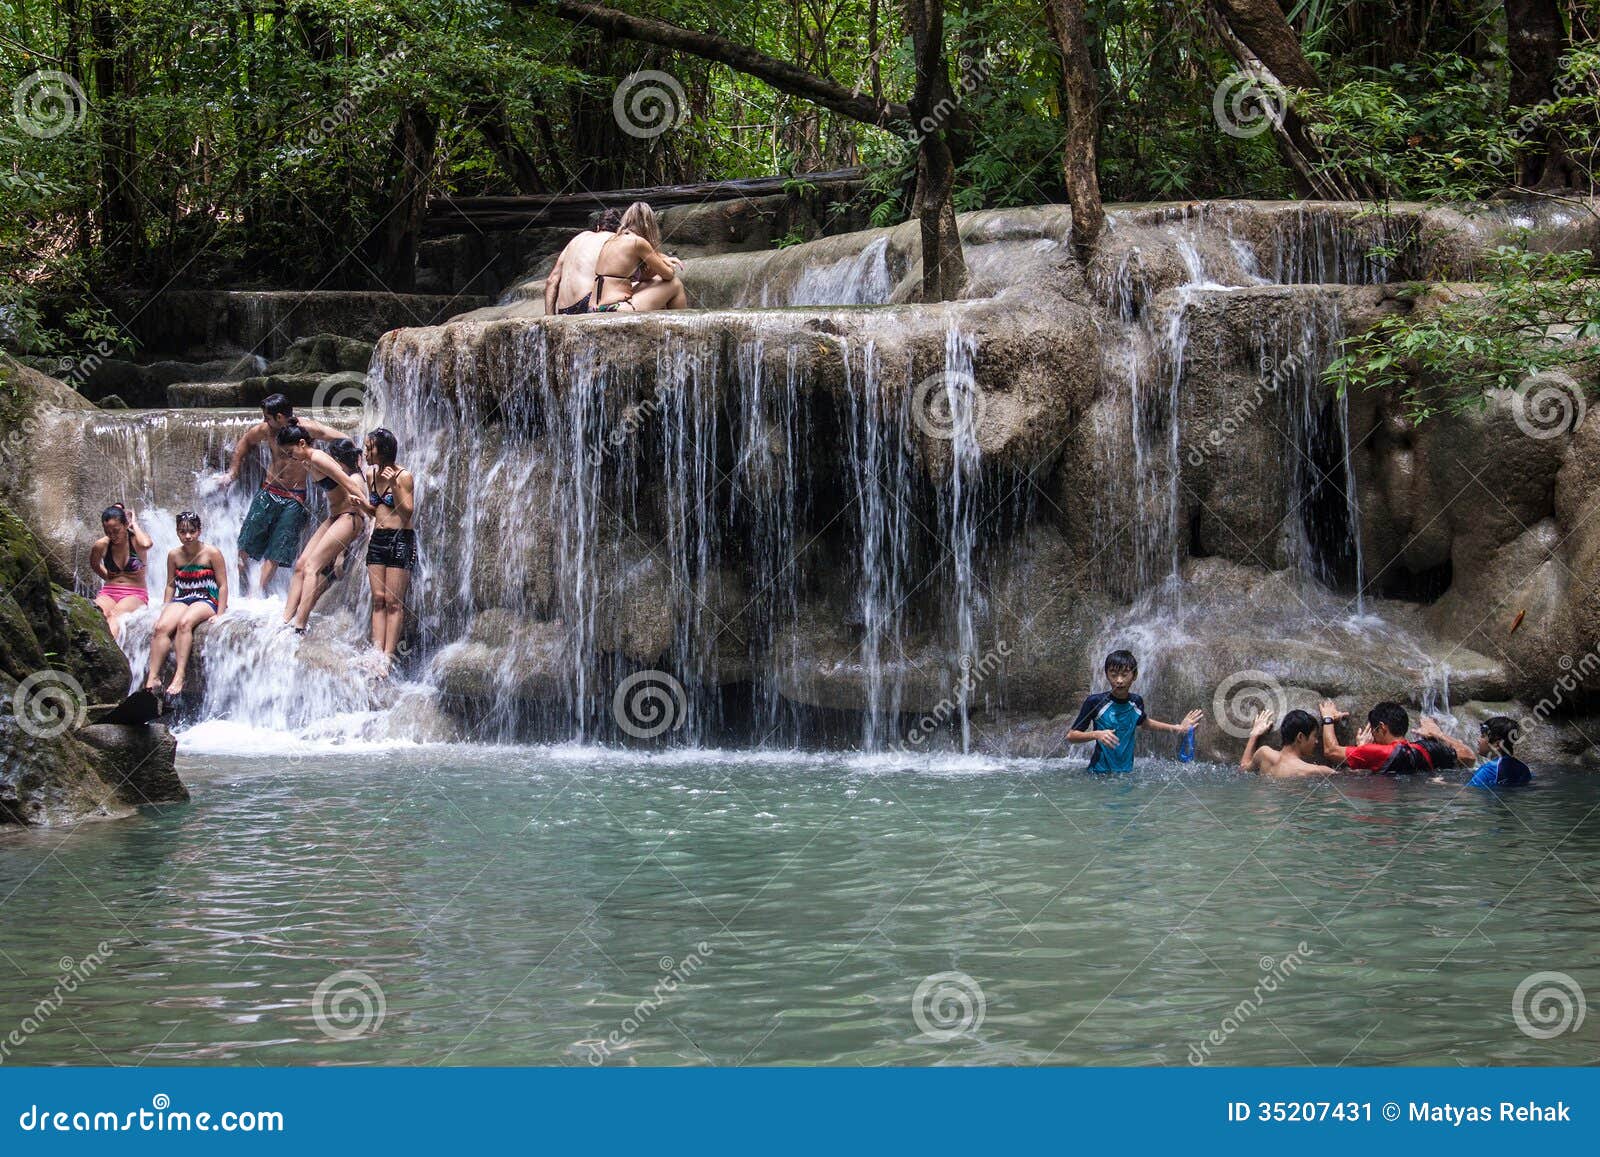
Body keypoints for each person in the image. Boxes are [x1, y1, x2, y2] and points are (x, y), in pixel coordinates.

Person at [219, 394, 346, 595]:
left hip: (294, 498)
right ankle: (238, 588)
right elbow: (245, 442)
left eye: (266, 417)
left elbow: (339, 437)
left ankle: (255, 594)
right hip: (269, 491)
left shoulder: (306, 429)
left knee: (277, 550)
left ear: (279, 416)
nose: (264, 421)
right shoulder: (267, 430)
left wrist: (355, 463)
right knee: (245, 543)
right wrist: (232, 472)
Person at [280, 433, 374, 633]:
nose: (290, 457)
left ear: (302, 443)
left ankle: (299, 626)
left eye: (291, 452)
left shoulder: (318, 458)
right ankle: (285, 618)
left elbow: (348, 483)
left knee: (312, 567)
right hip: (335, 517)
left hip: (349, 517)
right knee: (300, 565)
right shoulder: (309, 460)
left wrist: (370, 513)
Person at [1065, 650, 1205, 773]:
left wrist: (1178, 728)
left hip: (1126, 774)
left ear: (1134, 675)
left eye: (1124, 674)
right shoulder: (1095, 702)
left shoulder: (1136, 702)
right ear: (1107, 675)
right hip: (1098, 774)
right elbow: (1071, 736)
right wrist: (1096, 734)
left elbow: (1144, 723)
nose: (1119, 680)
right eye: (1113, 674)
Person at [144, 511, 228, 699]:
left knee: (185, 623)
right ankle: (153, 677)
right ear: (177, 532)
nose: (187, 536)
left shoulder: (212, 553)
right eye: (183, 532)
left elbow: (222, 585)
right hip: (184, 597)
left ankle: (180, 675)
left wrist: (221, 613)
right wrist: (164, 608)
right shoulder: (174, 555)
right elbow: (170, 584)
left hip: (207, 598)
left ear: (199, 531)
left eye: (192, 531)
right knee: (161, 627)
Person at [364, 427, 415, 668]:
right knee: (378, 599)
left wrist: (394, 486)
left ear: (383, 450)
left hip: (401, 539)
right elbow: (376, 512)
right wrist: (362, 506)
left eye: (369, 448)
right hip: (378, 539)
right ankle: (376, 652)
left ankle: (387, 656)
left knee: (394, 602)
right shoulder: (370, 476)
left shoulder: (404, 476)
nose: (365, 453)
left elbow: (406, 513)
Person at [587, 201, 687, 313]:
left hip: (593, 308)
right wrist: (666, 262)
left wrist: (659, 262)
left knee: (649, 283)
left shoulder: (612, 240)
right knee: (675, 284)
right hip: (614, 308)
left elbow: (644, 278)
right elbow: (668, 275)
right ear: (648, 225)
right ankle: (680, 325)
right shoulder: (637, 242)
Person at [1318, 698, 1447, 773]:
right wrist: (1438, 734)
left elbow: (1331, 751)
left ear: (1382, 727)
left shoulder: (1378, 752)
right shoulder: (1423, 749)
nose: (1373, 737)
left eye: (1373, 731)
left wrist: (1328, 718)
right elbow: (1466, 754)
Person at [89, 503, 153, 641]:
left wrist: (134, 524)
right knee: (95, 613)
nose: (112, 535)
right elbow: (94, 564)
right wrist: (108, 577)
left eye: (116, 530)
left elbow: (147, 544)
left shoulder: (137, 541)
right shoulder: (102, 545)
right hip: (109, 592)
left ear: (125, 525)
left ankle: (110, 658)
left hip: (135, 593)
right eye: (108, 531)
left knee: (115, 615)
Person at [544, 208, 622, 316]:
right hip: (587, 303)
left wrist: (550, 318)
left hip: (563, 310)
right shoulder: (614, 238)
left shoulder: (578, 238)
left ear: (598, 227)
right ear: (619, 229)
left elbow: (551, 280)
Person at [1433, 716, 1533, 789]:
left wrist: (1443, 784)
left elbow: (1469, 791)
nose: (1478, 740)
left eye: (1482, 736)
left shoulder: (1488, 770)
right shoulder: (1523, 768)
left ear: (1497, 744)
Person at [1240, 709, 1331, 777]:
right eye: (1315, 736)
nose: (1316, 741)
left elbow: (1243, 769)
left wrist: (1254, 734)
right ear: (1300, 737)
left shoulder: (1264, 753)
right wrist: (1329, 719)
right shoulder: (1311, 771)